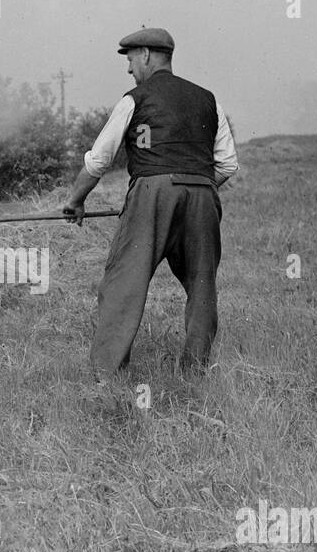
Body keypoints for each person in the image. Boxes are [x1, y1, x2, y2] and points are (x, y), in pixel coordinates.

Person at [62, 27, 239, 379]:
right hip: (203, 195)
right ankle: (194, 372)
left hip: (152, 194)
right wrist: (193, 184)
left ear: (144, 54)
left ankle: (106, 376)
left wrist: (75, 202)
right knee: (201, 284)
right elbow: (228, 165)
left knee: (123, 283)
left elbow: (98, 160)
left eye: (130, 59)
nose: (129, 69)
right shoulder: (209, 100)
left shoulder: (134, 99)